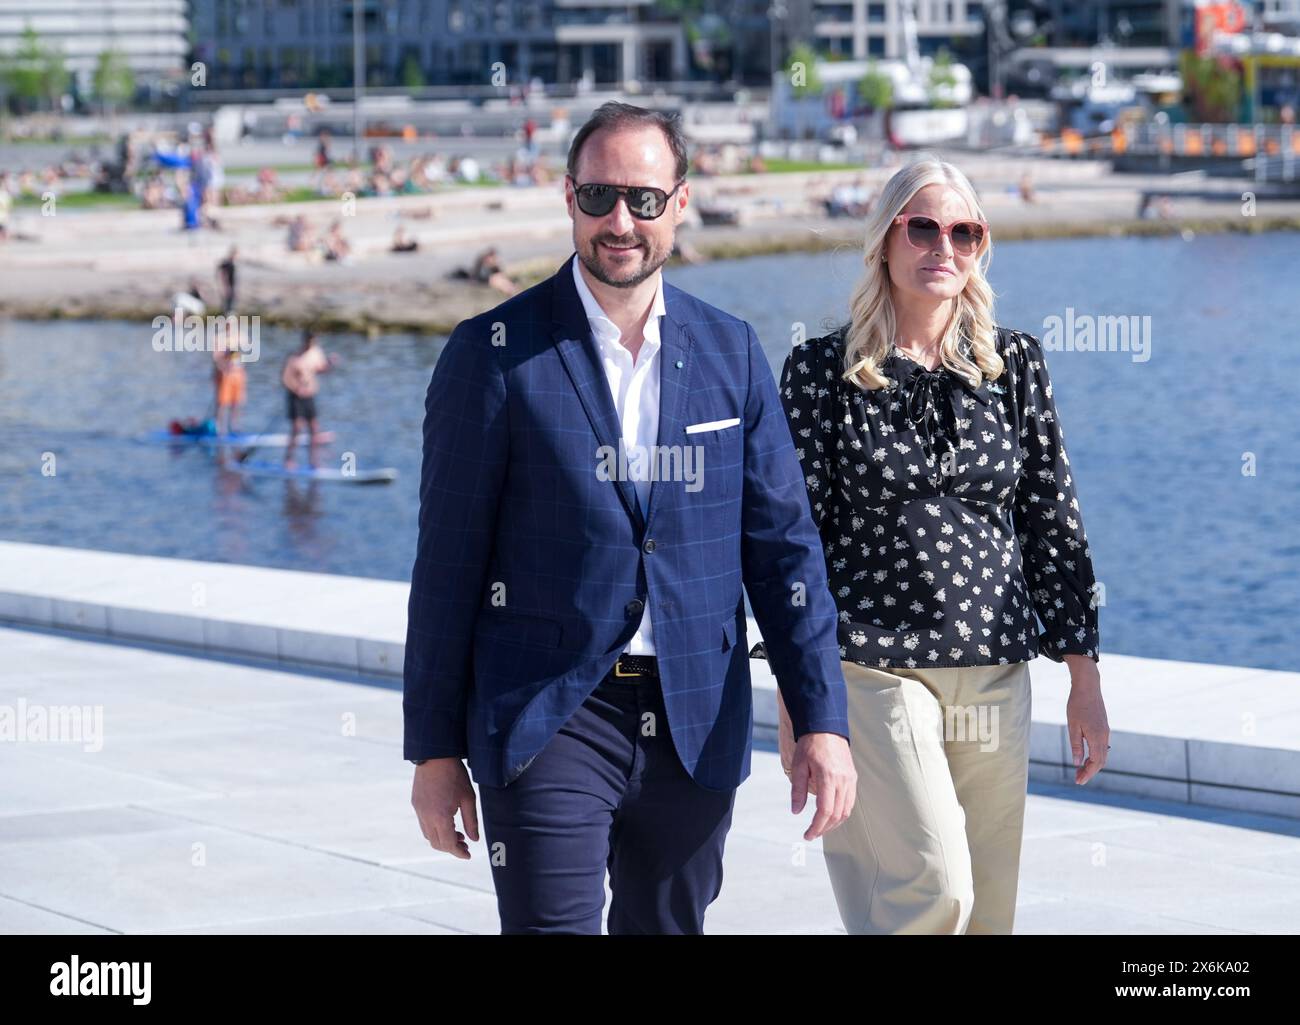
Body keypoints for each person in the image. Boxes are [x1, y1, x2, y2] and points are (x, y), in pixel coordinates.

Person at [405, 101, 856, 935]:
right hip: (549, 713)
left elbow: (786, 555)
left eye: (644, 199)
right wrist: (433, 750)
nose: (621, 220)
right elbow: (446, 567)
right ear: (568, 197)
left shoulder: (732, 351)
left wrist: (821, 718)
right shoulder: (493, 352)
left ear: (680, 203)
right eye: (600, 196)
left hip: (697, 718)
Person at [759, 154, 1109, 935]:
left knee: (987, 914)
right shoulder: (821, 371)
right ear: (885, 239)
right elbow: (793, 542)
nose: (941, 246)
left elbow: (1054, 519)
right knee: (934, 887)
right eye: (922, 226)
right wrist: (796, 693)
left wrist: (1083, 677)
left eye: (964, 231)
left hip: (994, 669)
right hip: (872, 668)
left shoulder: (1014, 365)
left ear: (980, 247)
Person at [281, 330, 337, 469]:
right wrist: (296, 388)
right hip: (296, 396)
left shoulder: (316, 353)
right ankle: (289, 459)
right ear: (304, 341)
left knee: (314, 428)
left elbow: (321, 369)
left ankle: (314, 461)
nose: (310, 345)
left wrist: (330, 364)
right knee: (297, 428)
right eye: (308, 342)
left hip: (309, 396)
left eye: (312, 342)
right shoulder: (294, 358)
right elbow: (285, 379)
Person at [211, 322, 247, 435]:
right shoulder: (219, 339)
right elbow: (216, 358)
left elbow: (244, 356)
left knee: (237, 403)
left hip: (238, 374)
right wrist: (224, 367)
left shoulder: (241, 337)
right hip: (225, 375)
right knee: (222, 403)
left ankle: (235, 426)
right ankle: (219, 428)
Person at [217, 246, 238, 312]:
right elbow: (223, 274)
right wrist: (226, 287)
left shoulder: (232, 263)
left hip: (231, 286)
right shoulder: (227, 263)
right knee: (228, 305)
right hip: (227, 287)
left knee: (231, 305)